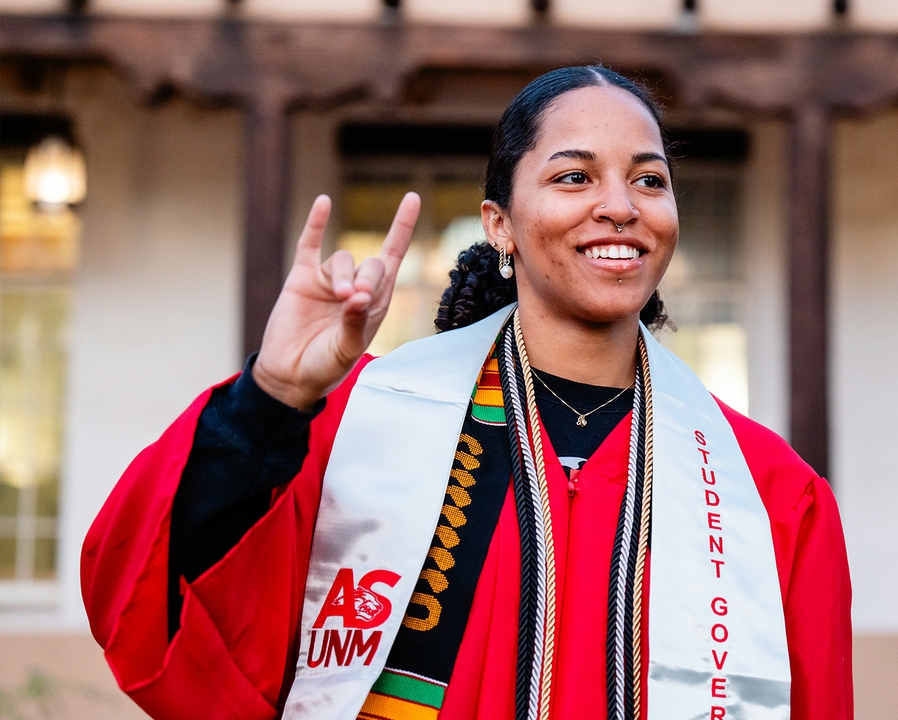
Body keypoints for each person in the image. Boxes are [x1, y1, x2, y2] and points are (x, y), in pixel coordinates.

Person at [82, 66, 852, 720]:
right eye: (574, 176)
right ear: (500, 225)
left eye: (648, 179)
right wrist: (271, 395)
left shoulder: (770, 496)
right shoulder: (371, 427)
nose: (620, 205)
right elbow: (167, 607)